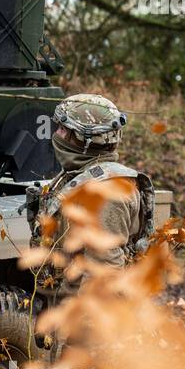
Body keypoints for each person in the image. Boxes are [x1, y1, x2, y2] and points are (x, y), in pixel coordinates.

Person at [26, 92, 154, 270]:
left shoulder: (106, 192)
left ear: (82, 139)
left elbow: (103, 274)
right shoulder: (80, 174)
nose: (57, 134)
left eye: (63, 129)